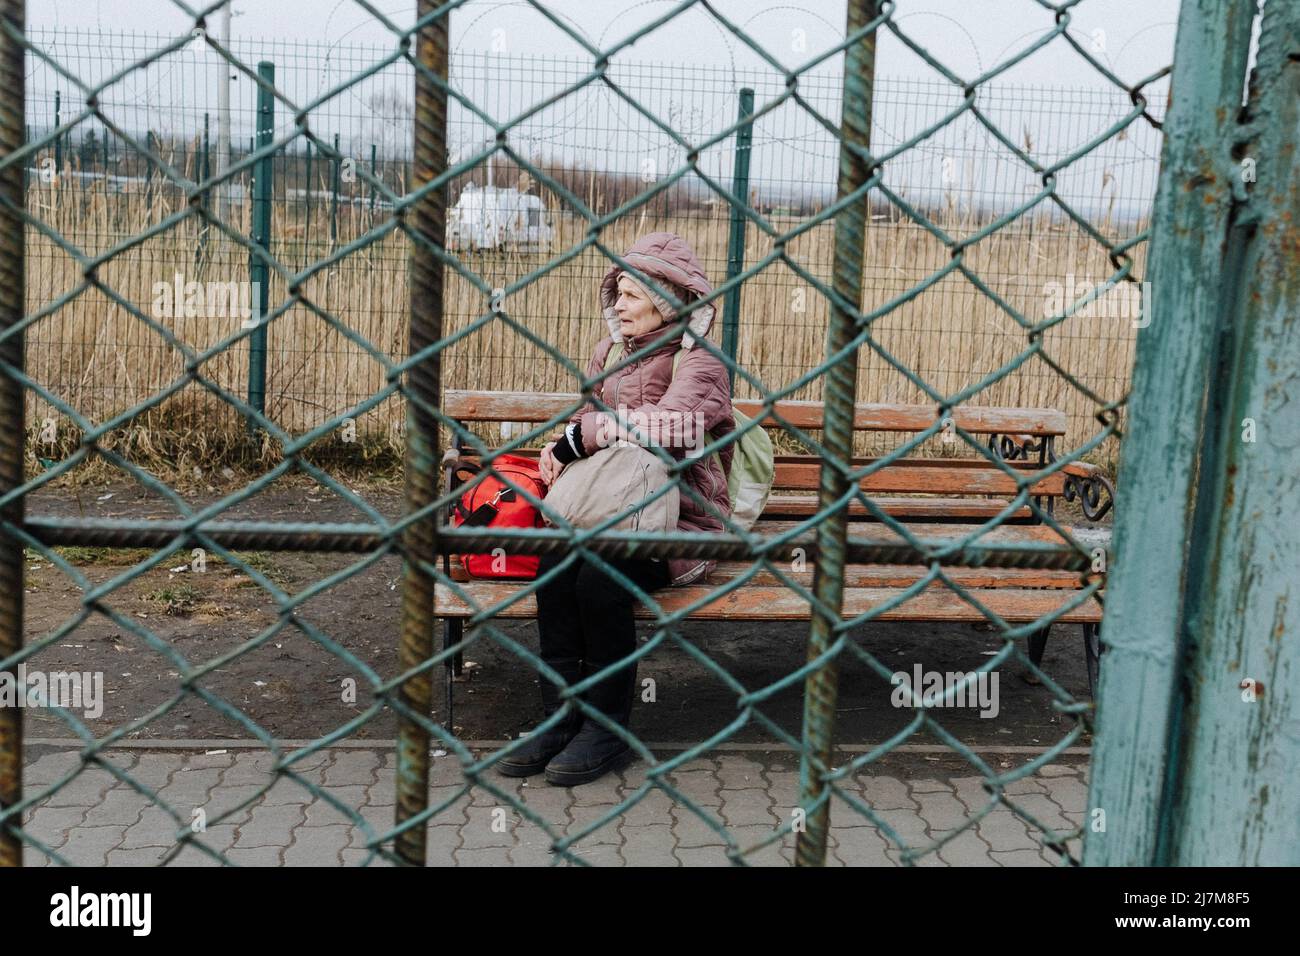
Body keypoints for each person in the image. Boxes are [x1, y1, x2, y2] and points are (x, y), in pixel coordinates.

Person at [497, 231, 735, 786]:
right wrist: (560, 448)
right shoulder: (610, 356)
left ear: (668, 299)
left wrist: (586, 436)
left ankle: (607, 730)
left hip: (681, 523)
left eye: (631, 295)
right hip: (602, 516)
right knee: (555, 571)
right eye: (618, 294)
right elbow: (584, 426)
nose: (618, 305)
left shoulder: (700, 365)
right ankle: (562, 717)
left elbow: (672, 430)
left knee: (598, 584)